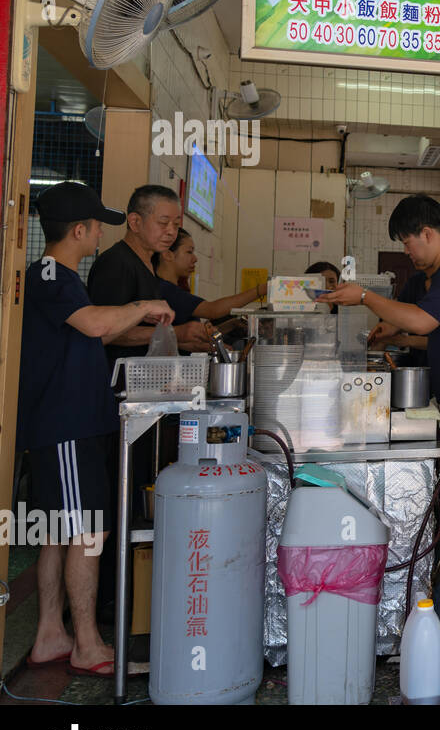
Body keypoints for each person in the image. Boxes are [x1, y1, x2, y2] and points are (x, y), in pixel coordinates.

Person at [19, 183, 175, 675]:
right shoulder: (51, 274)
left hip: (64, 425)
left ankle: (50, 634)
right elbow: (93, 325)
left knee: (58, 534)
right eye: (97, 227)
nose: (99, 236)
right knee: (88, 533)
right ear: (80, 229)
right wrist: (142, 307)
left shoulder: (58, 276)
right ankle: (86, 642)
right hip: (66, 426)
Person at [320, 195, 440, 418]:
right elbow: (430, 320)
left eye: (406, 242)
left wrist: (364, 296)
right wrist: (393, 325)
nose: (405, 251)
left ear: (427, 233)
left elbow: (422, 321)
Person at [87, 185, 212, 362]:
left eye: (176, 225)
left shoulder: (149, 264)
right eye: (163, 223)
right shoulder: (117, 263)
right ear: (135, 222)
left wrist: (183, 341)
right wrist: (176, 332)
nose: (171, 231)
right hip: (117, 380)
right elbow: (105, 330)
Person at [152, 228, 267, 325]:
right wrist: (260, 290)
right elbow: (212, 310)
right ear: (167, 255)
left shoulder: (173, 289)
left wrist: (232, 324)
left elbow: (196, 335)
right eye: (189, 252)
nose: (195, 259)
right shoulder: (164, 290)